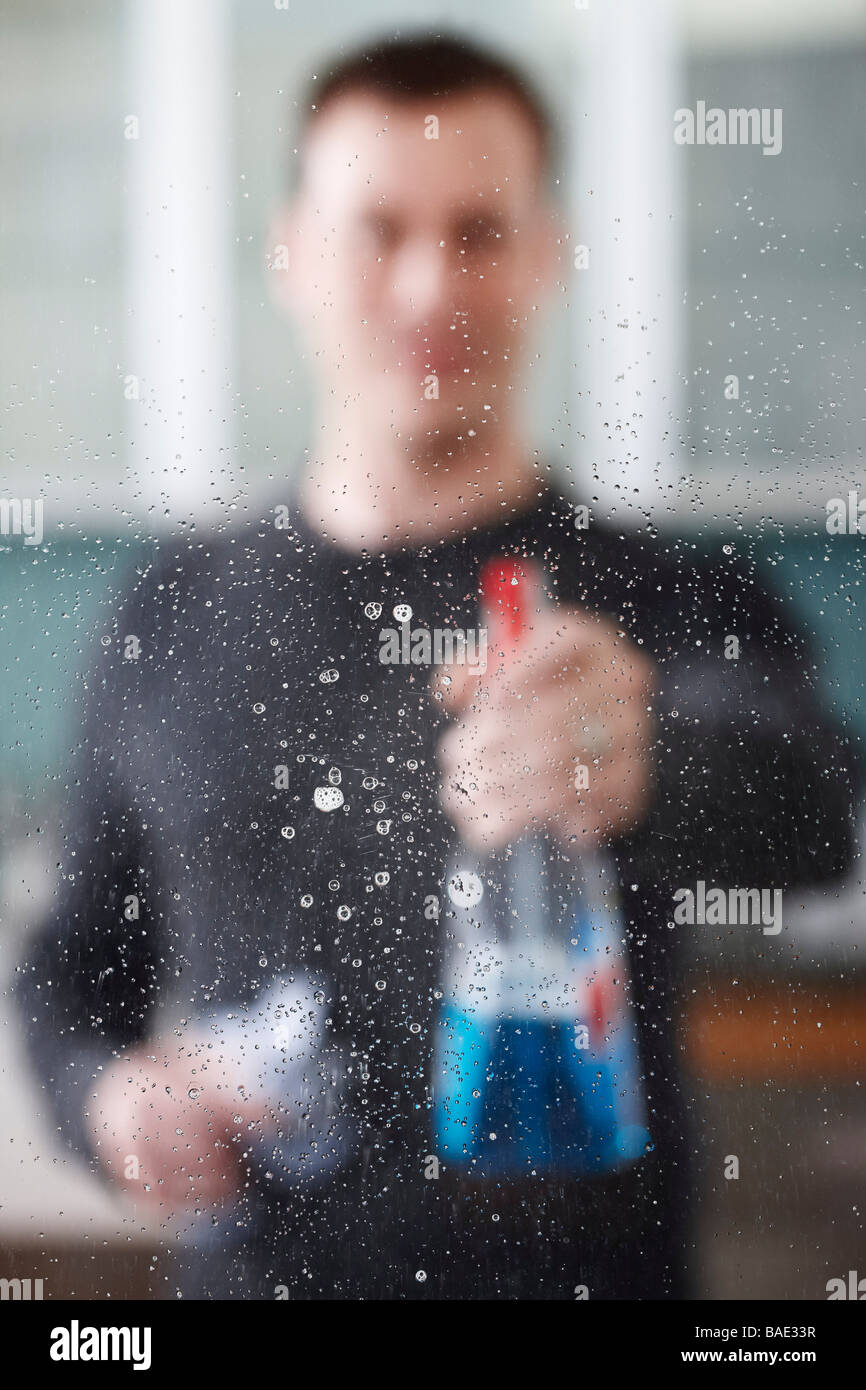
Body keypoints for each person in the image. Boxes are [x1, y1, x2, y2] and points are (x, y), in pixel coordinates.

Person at [14, 33, 859, 1300]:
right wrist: (107, 1099)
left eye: (476, 231)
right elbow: (74, 970)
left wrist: (648, 762)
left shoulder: (672, 598)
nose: (428, 286)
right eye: (378, 230)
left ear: (543, 253)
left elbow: (812, 816)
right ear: (292, 252)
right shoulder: (169, 611)